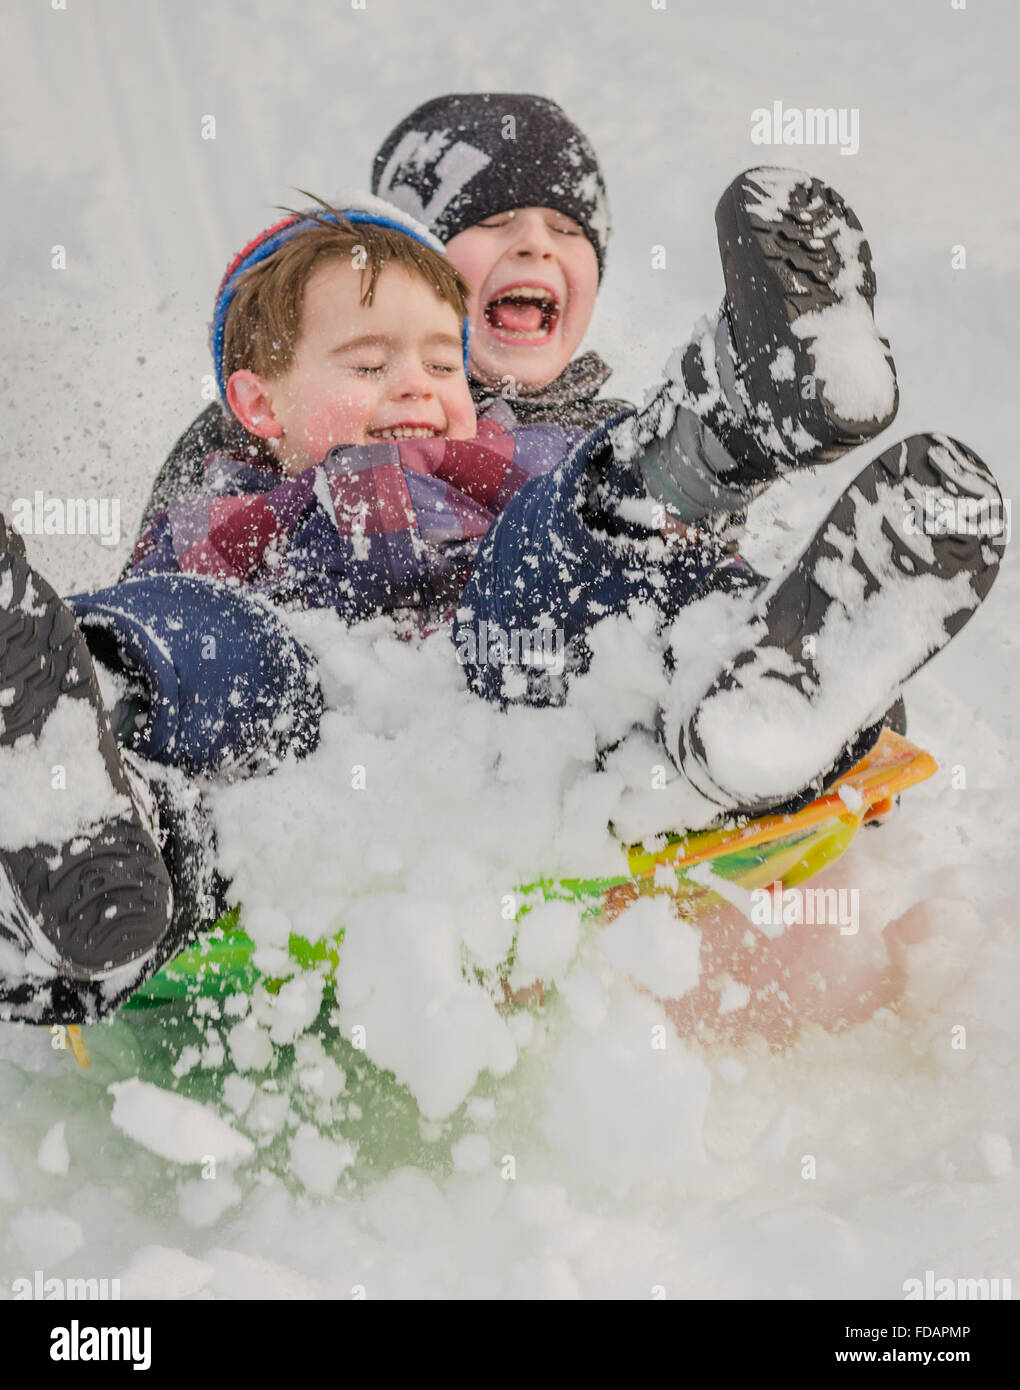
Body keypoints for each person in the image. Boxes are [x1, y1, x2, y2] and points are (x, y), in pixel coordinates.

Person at [0, 174, 1004, 1027]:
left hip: (505, 709)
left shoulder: (507, 461)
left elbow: (616, 565)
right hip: (313, 749)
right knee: (212, 640)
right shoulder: (229, 512)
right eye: (368, 363)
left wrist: (855, 698)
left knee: (567, 546)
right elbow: (169, 625)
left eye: (443, 363)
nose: (416, 385)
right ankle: (82, 795)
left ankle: (738, 486)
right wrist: (126, 654)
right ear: (259, 404)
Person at [129, 94, 628, 548]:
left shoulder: (612, 443)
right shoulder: (252, 431)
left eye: (568, 229)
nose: (537, 245)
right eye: (493, 222)